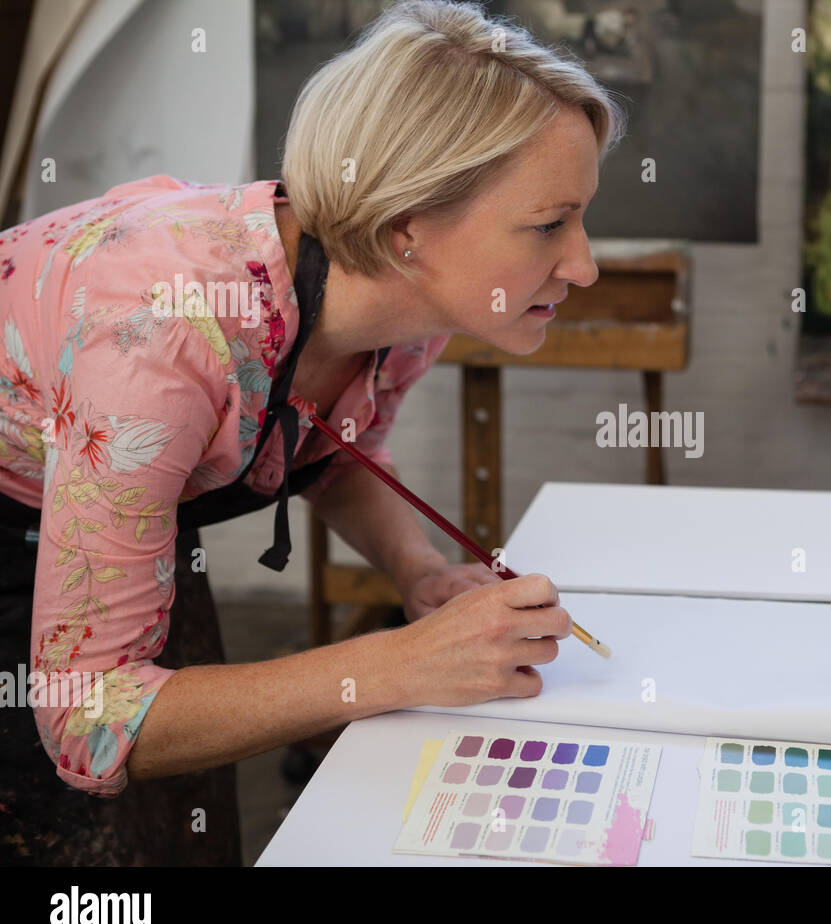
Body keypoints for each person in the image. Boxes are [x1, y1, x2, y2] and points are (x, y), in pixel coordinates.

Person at [0, 0, 625, 864]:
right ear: (409, 228)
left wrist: (421, 574)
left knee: (184, 827)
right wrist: (400, 665)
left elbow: (334, 448)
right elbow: (89, 718)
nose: (585, 263)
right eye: (549, 224)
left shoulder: (411, 304)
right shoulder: (161, 339)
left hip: (105, 516)